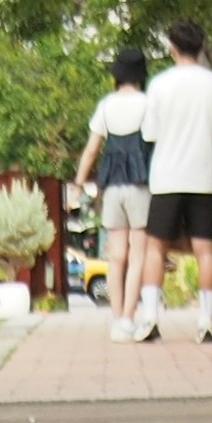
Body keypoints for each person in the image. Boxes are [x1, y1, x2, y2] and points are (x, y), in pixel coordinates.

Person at [133, 17, 212, 342]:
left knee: (156, 248)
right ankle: (206, 322)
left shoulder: (159, 85)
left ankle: (150, 319)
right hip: (206, 177)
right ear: (201, 46)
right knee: (205, 250)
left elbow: (149, 133)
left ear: (172, 47)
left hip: (167, 177)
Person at [69, 46, 156, 326]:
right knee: (137, 255)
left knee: (116, 256)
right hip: (141, 185)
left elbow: (92, 149)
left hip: (112, 187)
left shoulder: (106, 105)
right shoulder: (148, 104)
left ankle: (117, 317)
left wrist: (78, 184)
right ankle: (129, 317)